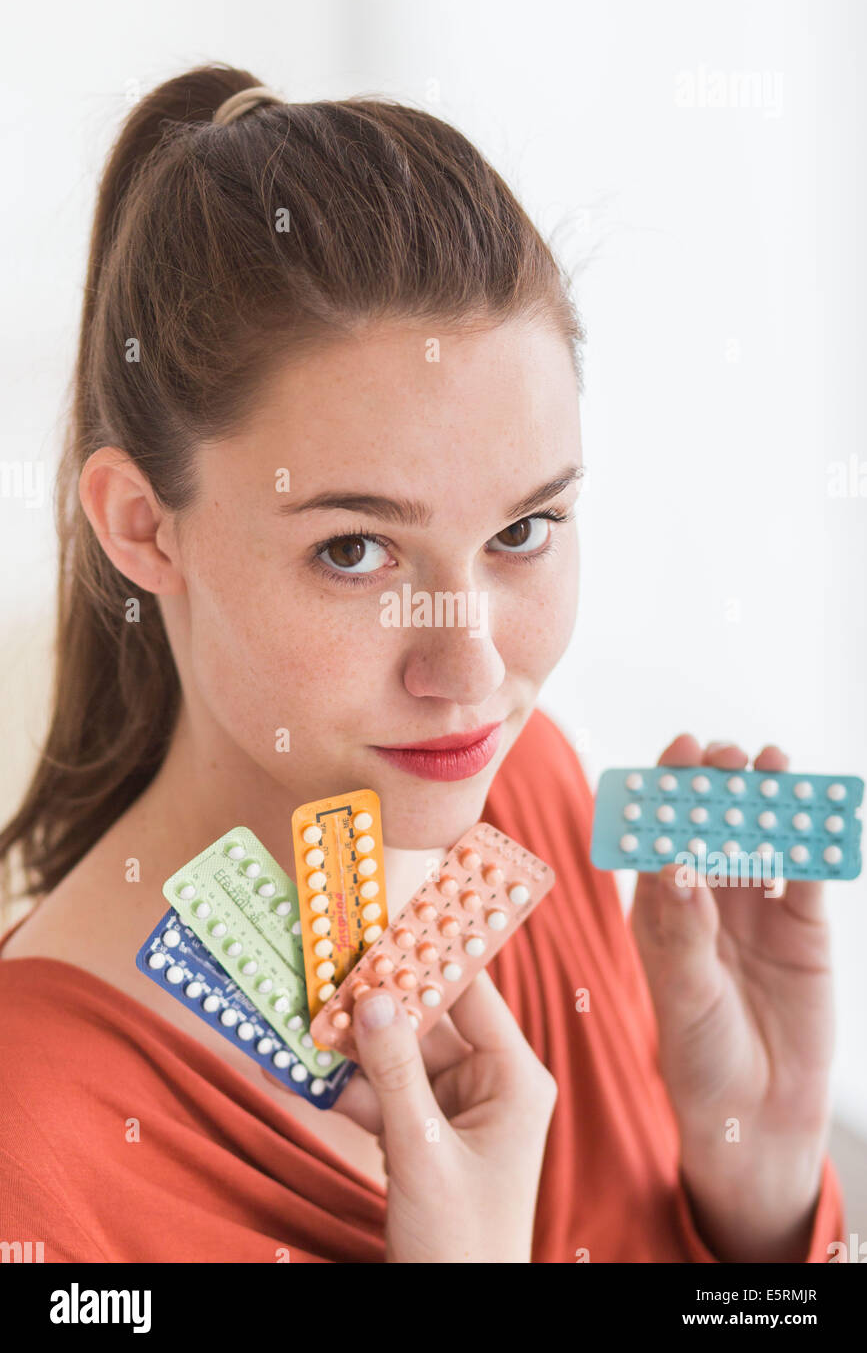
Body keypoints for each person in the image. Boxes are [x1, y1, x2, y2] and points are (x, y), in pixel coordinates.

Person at [0, 64, 844, 1263]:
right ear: (144, 525)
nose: (472, 669)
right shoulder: (28, 1156)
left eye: (523, 531)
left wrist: (754, 1188)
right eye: (355, 549)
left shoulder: (522, 794)